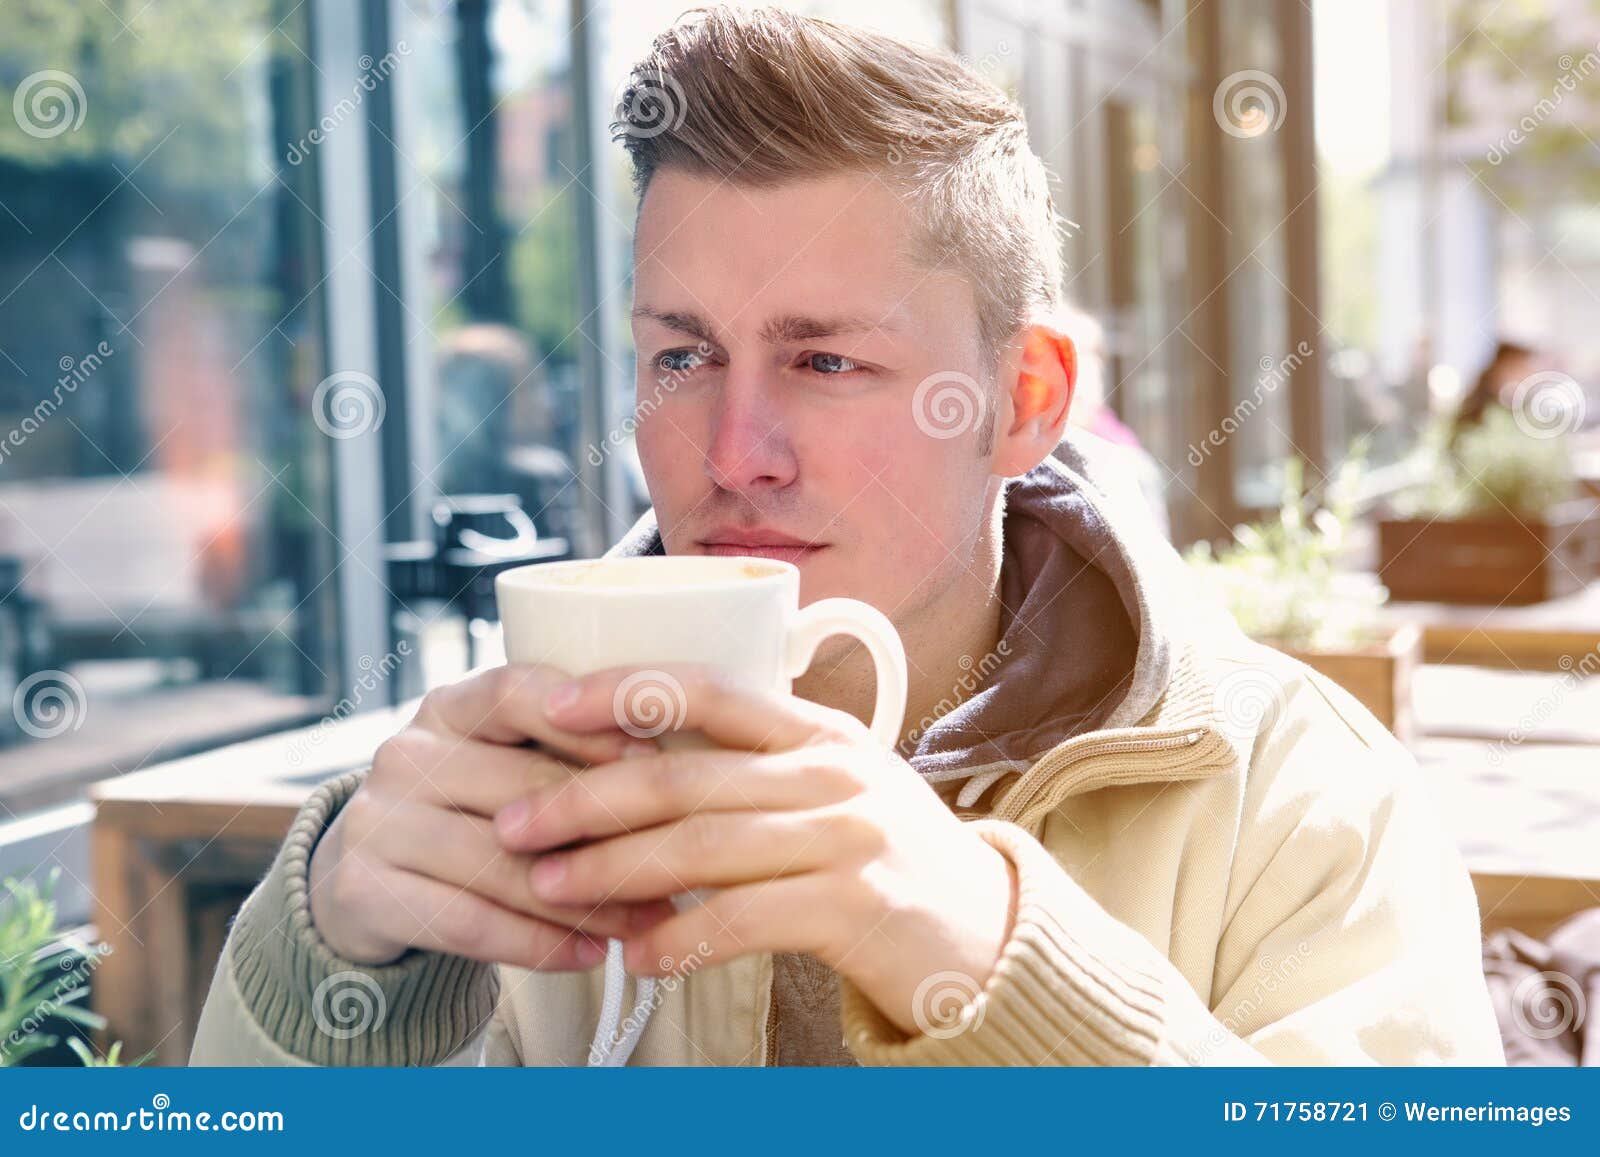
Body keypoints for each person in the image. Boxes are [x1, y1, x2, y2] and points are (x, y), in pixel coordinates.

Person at [191, 6, 1503, 1067]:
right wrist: (330, 987)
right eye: (683, 353)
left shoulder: (1295, 794)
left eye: (823, 359)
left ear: (1024, 400)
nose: (731, 449)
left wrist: (992, 959)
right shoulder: (500, 791)